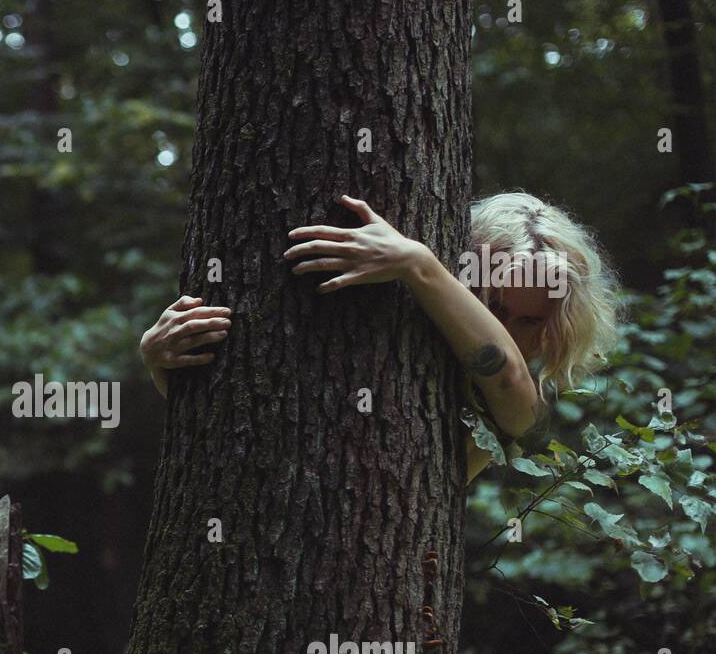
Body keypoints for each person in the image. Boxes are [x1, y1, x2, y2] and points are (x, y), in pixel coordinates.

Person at [138, 192, 622, 483]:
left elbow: (512, 388)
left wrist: (416, 263)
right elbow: (228, 426)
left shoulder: (515, 404)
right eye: (493, 306)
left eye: (530, 321)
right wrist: (161, 362)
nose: (509, 333)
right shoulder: (416, 327)